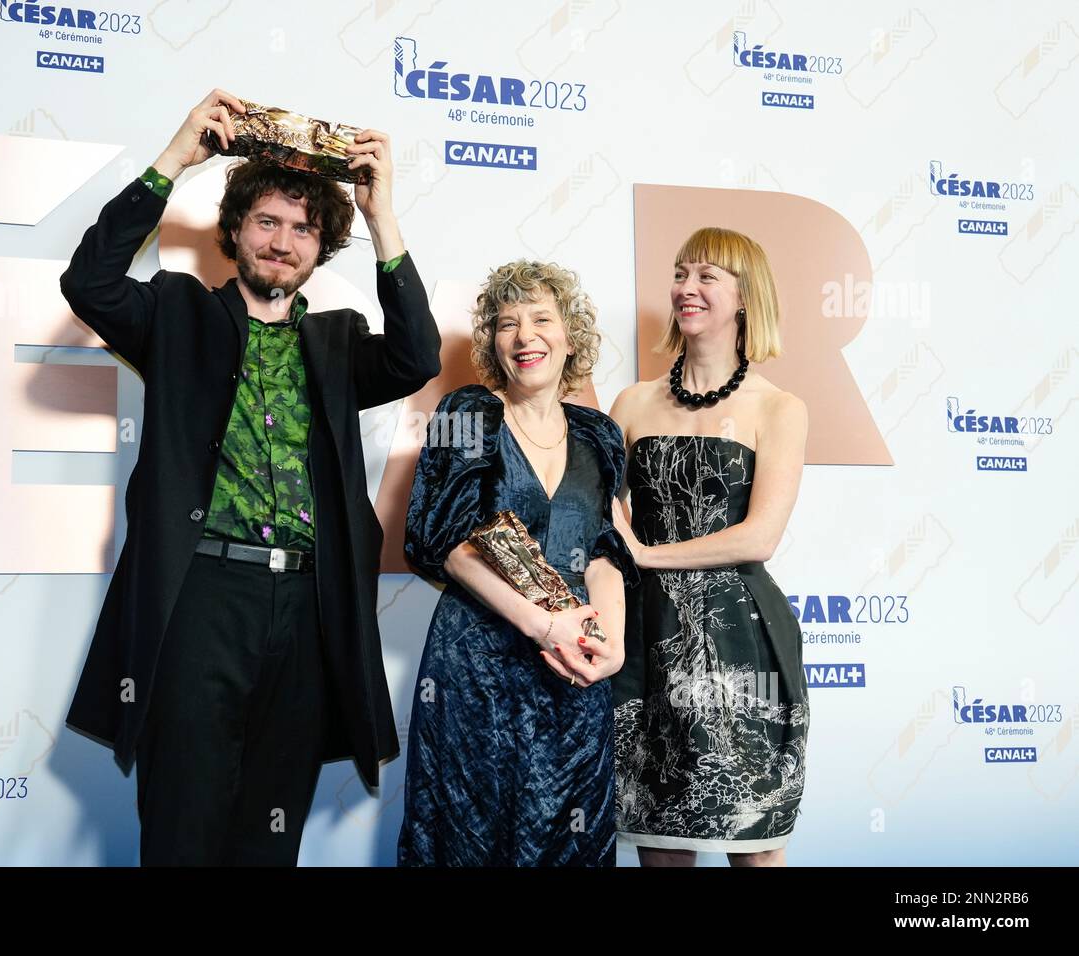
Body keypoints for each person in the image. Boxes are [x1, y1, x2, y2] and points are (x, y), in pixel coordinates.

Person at [59, 88, 441, 865]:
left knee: (272, 836)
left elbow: (419, 357)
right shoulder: (176, 315)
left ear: (320, 248)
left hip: (306, 610)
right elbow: (90, 283)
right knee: (184, 828)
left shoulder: (337, 345)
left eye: (303, 229)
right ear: (235, 230)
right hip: (201, 598)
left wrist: (381, 216)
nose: (283, 241)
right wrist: (176, 159)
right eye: (267, 220)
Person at [399, 260, 637, 866]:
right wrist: (541, 624)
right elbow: (444, 543)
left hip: (575, 672)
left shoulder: (600, 434)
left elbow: (608, 549)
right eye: (507, 324)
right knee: (470, 833)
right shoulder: (466, 413)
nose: (525, 336)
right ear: (493, 342)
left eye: (541, 319)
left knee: (568, 836)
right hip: (479, 666)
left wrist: (611, 642)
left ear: (569, 335)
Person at [609, 226, 809, 867]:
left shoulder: (779, 408)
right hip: (645, 638)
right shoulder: (631, 402)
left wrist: (645, 555)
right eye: (679, 272)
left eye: (707, 276)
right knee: (661, 844)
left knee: (753, 845)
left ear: (746, 297)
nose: (686, 288)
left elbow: (761, 537)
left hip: (740, 641)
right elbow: (607, 523)